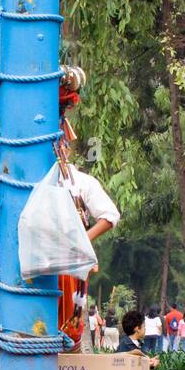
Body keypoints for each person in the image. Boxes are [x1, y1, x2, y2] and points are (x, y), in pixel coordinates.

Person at [54, 67, 121, 352]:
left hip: (69, 267)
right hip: (37, 263)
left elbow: (110, 215)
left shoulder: (80, 182)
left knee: (68, 323)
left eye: (61, 144)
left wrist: (81, 241)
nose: (58, 149)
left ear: (66, 147)